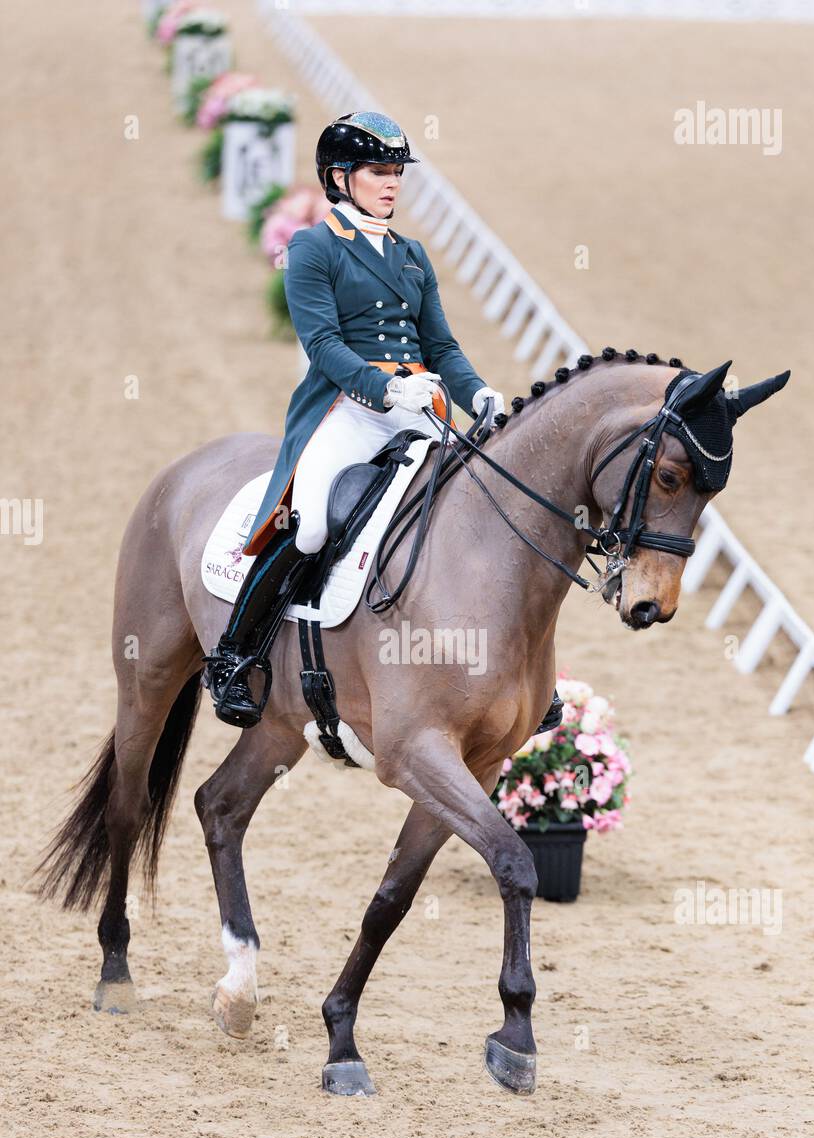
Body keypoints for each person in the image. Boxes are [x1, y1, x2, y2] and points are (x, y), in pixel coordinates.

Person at [203, 111, 561, 737]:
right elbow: (322, 343)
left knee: (486, 509)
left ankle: (525, 674)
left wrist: (476, 392)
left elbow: (440, 346)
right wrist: (388, 386)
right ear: (340, 178)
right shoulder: (315, 248)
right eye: (379, 172)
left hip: (422, 408)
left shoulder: (411, 254)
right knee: (310, 523)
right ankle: (238, 655)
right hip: (347, 411)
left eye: (397, 173)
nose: (392, 184)